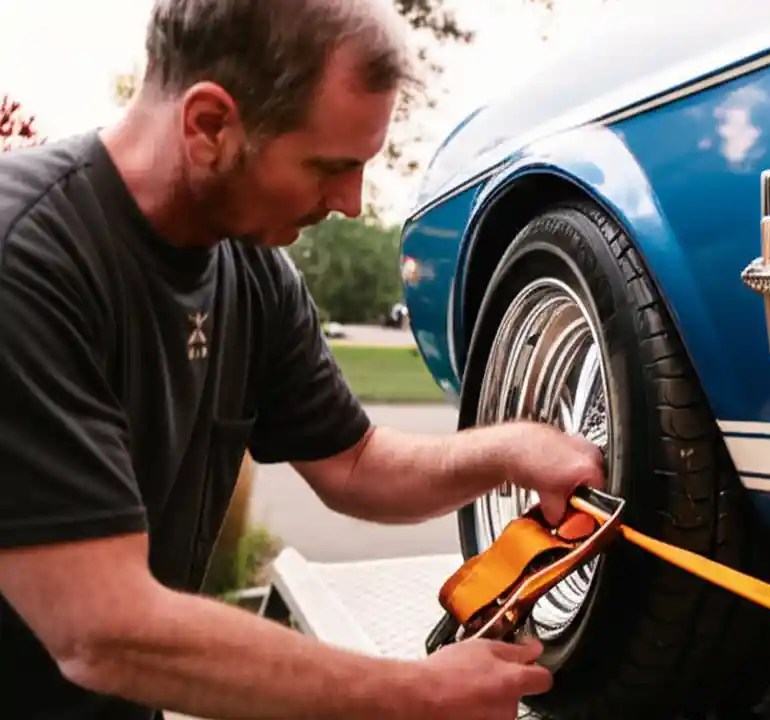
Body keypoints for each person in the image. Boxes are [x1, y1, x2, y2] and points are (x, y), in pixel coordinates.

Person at [0, 0, 604, 718]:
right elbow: (102, 632)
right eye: (330, 167)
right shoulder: (27, 261)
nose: (350, 202)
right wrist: (416, 694)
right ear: (209, 126)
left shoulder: (251, 270)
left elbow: (355, 465)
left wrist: (511, 451)